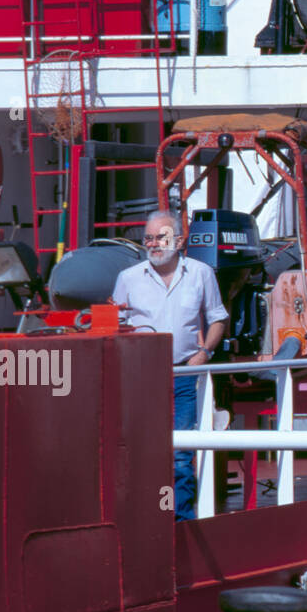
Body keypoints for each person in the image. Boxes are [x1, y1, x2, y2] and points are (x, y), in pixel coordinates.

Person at [112, 210, 228, 522]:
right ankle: (141, 519)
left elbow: (218, 317)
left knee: (180, 454)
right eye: (148, 238)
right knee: (139, 448)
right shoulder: (128, 279)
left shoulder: (201, 273)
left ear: (178, 241)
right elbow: (114, 324)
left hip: (183, 376)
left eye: (160, 238)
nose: (152, 244)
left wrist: (204, 352)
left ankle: (179, 522)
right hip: (140, 377)